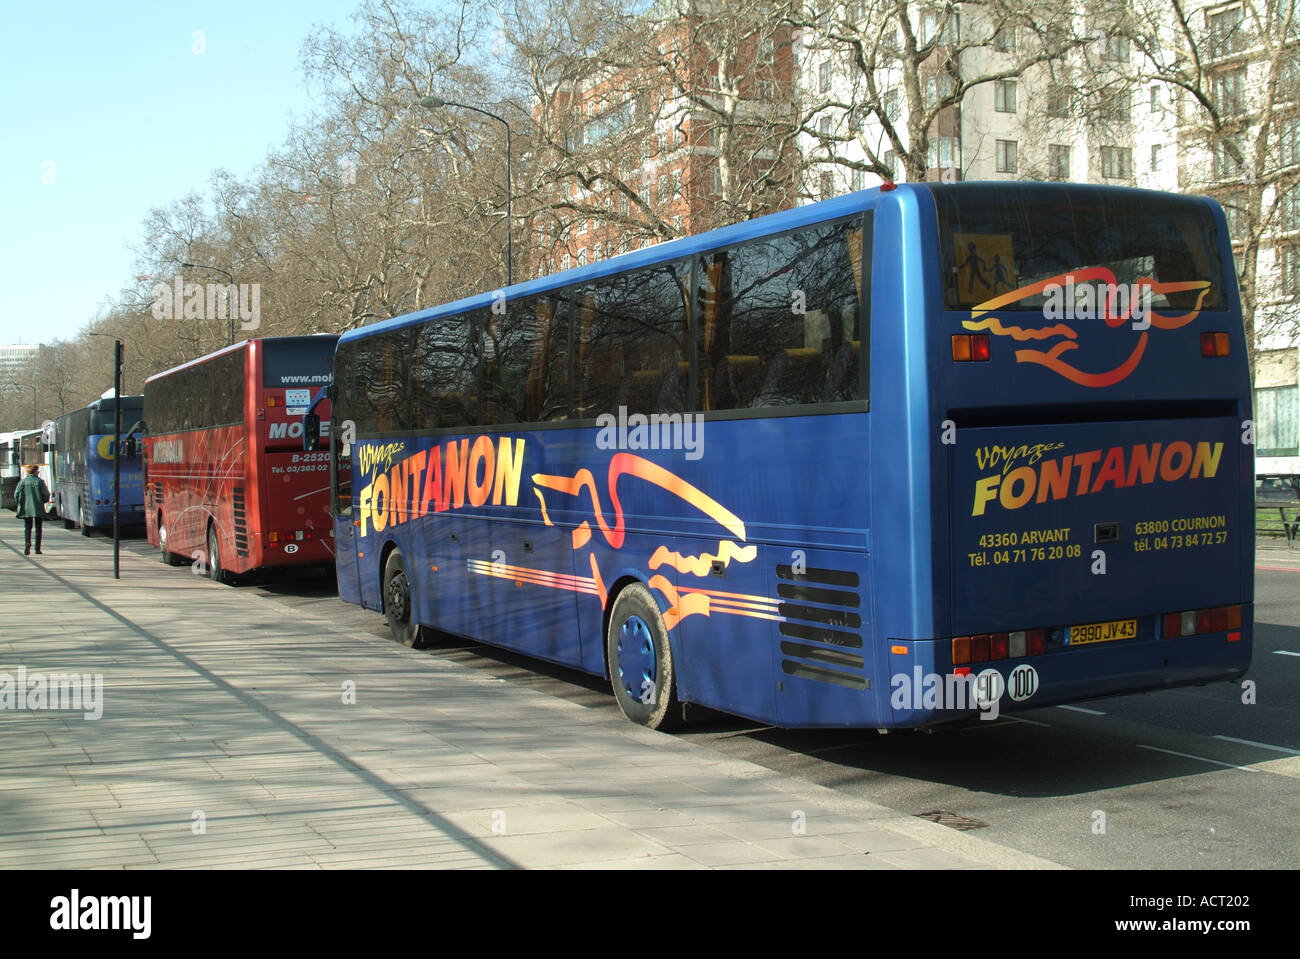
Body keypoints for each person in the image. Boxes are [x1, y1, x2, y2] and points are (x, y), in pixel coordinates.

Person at [14, 464, 51, 556]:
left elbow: (16, 494)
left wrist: (20, 503)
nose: (38, 472)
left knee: (27, 528)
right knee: (38, 528)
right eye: (37, 471)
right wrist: (43, 501)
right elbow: (46, 494)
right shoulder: (39, 481)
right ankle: (37, 549)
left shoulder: (22, 482)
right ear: (34, 471)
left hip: (26, 508)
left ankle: (27, 544)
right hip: (37, 507)